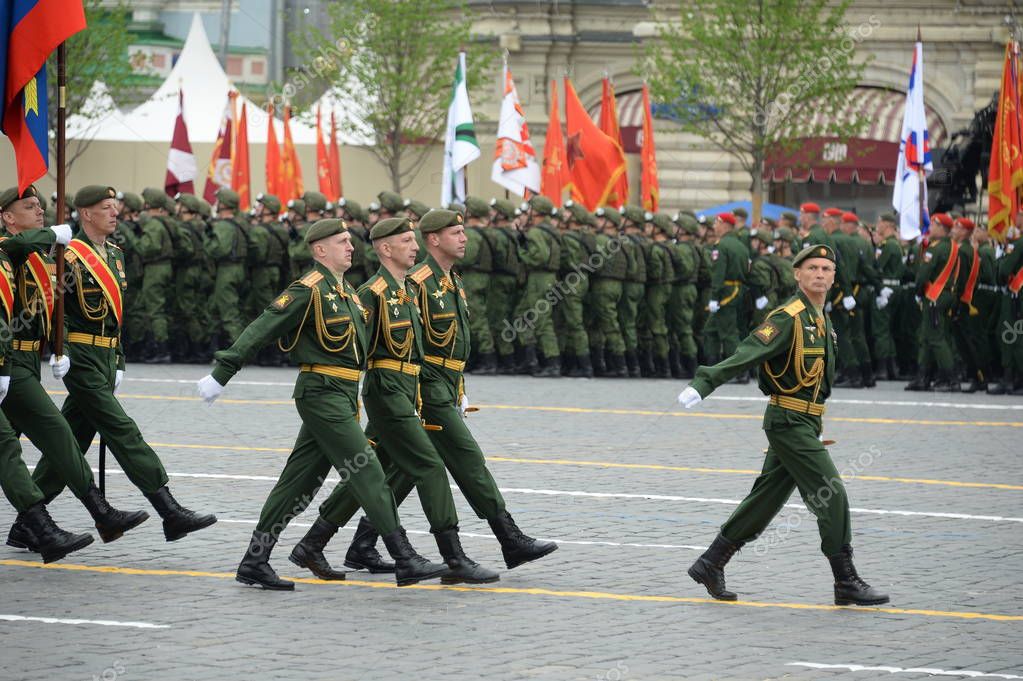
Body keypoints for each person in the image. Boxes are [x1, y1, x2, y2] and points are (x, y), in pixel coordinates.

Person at [291, 209, 556, 581]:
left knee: (389, 468)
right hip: (417, 390)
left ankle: (333, 542)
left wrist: (458, 389)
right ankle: (501, 541)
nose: (464, 238)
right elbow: (369, 340)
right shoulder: (414, 283)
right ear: (435, 239)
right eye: (456, 233)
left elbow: (452, 345)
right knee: (464, 459)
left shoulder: (451, 282)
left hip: (431, 388)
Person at [197, 218, 448, 590]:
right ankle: (404, 557)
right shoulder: (308, 290)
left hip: (344, 396)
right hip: (320, 393)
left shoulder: (347, 293)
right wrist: (223, 371)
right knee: (368, 470)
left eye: (349, 240)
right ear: (320, 250)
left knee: (298, 482)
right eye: (342, 241)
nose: (351, 246)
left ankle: (254, 561)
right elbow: (263, 326)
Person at [678, 244, 889, 607]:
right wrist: (704, 382)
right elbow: (748, 352)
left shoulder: (821, 319)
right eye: (812, 268)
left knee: (766, 498)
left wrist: (815, 420)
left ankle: (711, 563)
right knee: (831, 493)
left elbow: (818, 380)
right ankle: (845, 580)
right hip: (787, 422)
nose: (820, 274)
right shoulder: (788, 317)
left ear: (834, 277)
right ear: (797, 274)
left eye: (826, 269)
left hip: (805, 421)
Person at [30, 185, 216, 544]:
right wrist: (59, 348)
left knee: (71, 439)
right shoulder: (68, 255)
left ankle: (28, 519)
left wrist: (118, 359)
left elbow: (116, 316)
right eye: (106, 207)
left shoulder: (115, 255)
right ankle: (169, 511)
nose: (115, 213)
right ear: (86, 213)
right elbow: (53, 307)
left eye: (115, 206)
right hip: (80, 357)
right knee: (123, 430)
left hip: (104, 356)